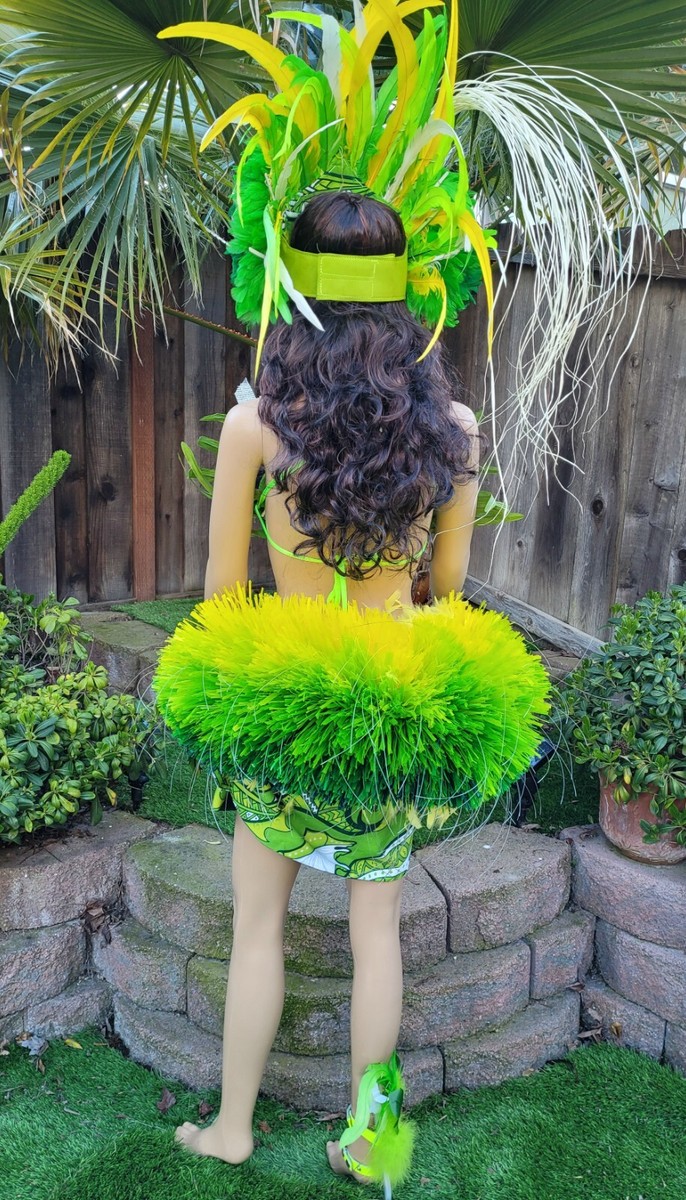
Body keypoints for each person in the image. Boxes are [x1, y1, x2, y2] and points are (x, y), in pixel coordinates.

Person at [170, 190, 481, 1180]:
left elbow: (222, 597)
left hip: (286, 712)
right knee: (374, 931)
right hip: (387, 711)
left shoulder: (253, 427)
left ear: (294, 289)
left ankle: (231, 1128)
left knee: (258, 923)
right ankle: (371, 1139)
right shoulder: (453, 430)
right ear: (400, 298)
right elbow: (451, 591)